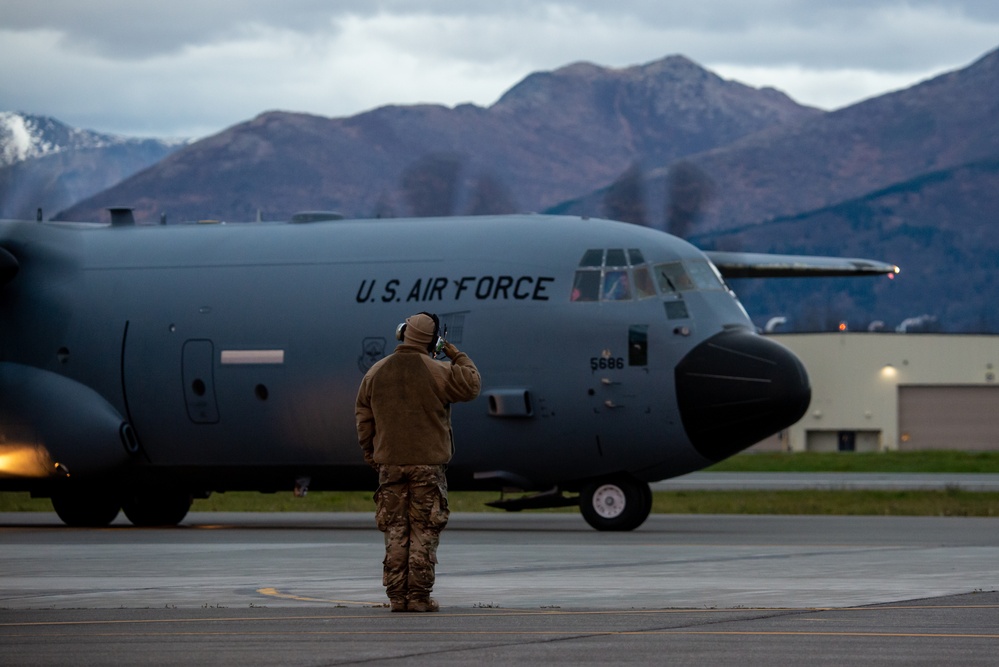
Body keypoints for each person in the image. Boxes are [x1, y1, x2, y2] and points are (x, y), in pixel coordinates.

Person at [355, 312, 481, 612]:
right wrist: (453, 352)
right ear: (431, 341)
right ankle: (419, 598)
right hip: (427, 466)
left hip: (390, 464)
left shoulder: (376, 371)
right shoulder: (439, 371)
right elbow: (472, 384)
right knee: (424, 530)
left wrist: (372, 454)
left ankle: (397, 598)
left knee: (396, 530)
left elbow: (363, 416)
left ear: (403, 334)